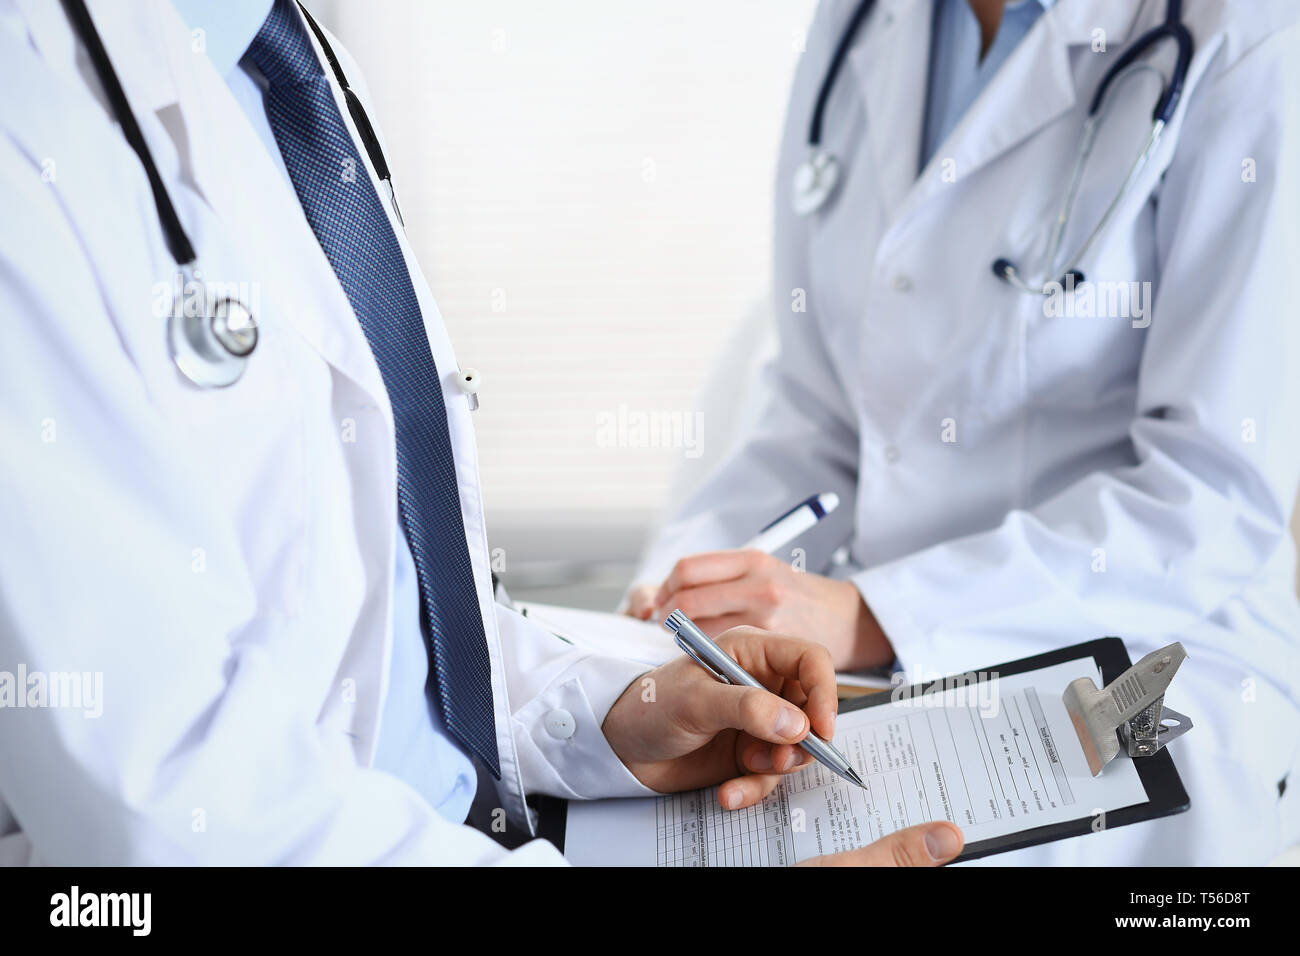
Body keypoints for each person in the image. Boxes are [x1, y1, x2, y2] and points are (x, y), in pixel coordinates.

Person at [0, 0, 966, 866]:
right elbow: (164, 801)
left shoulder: (285, 62)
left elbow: (392, 622)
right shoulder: (30, 128)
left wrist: (619, 713)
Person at [625, 0, 1300, 865]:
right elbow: (820, 411)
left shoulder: (1250, 38)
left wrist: (871, 614)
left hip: (1156, 647)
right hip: (881, 658)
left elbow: (1209, 498)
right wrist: (680, 600)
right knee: (685, 813)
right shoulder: (863, 21)